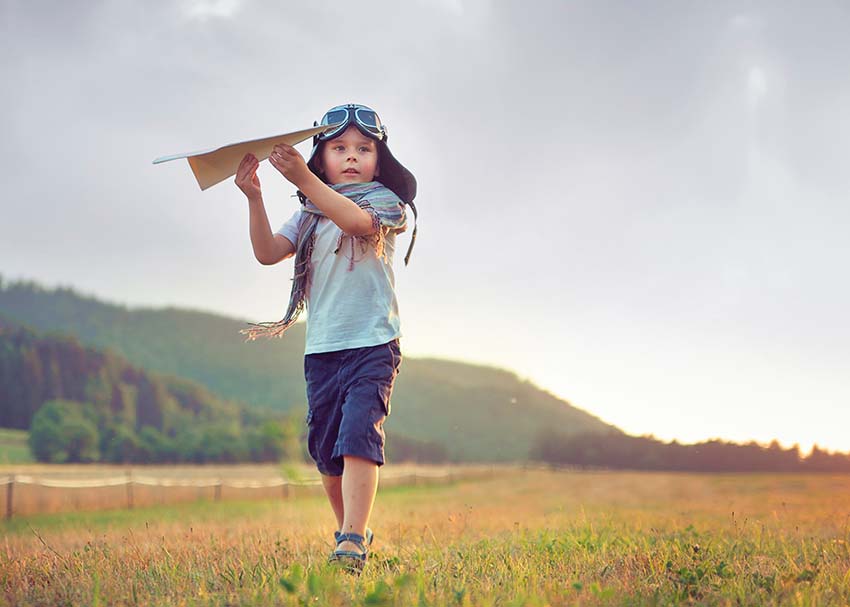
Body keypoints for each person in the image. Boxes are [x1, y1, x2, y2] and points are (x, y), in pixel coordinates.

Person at [233, 104, 417, 573]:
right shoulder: (310, 213)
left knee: (358, 434)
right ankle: (349, 531)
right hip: (322, 350)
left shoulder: (385, 202)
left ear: (379, 159)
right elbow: (266, 252)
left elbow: (357, 224)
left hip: (374, 342)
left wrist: (302, 180)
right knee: (326, 450)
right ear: (321, 157)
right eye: (339, 148)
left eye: (363, 148)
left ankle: (353, 539)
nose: (351, 156)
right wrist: (255, 197)